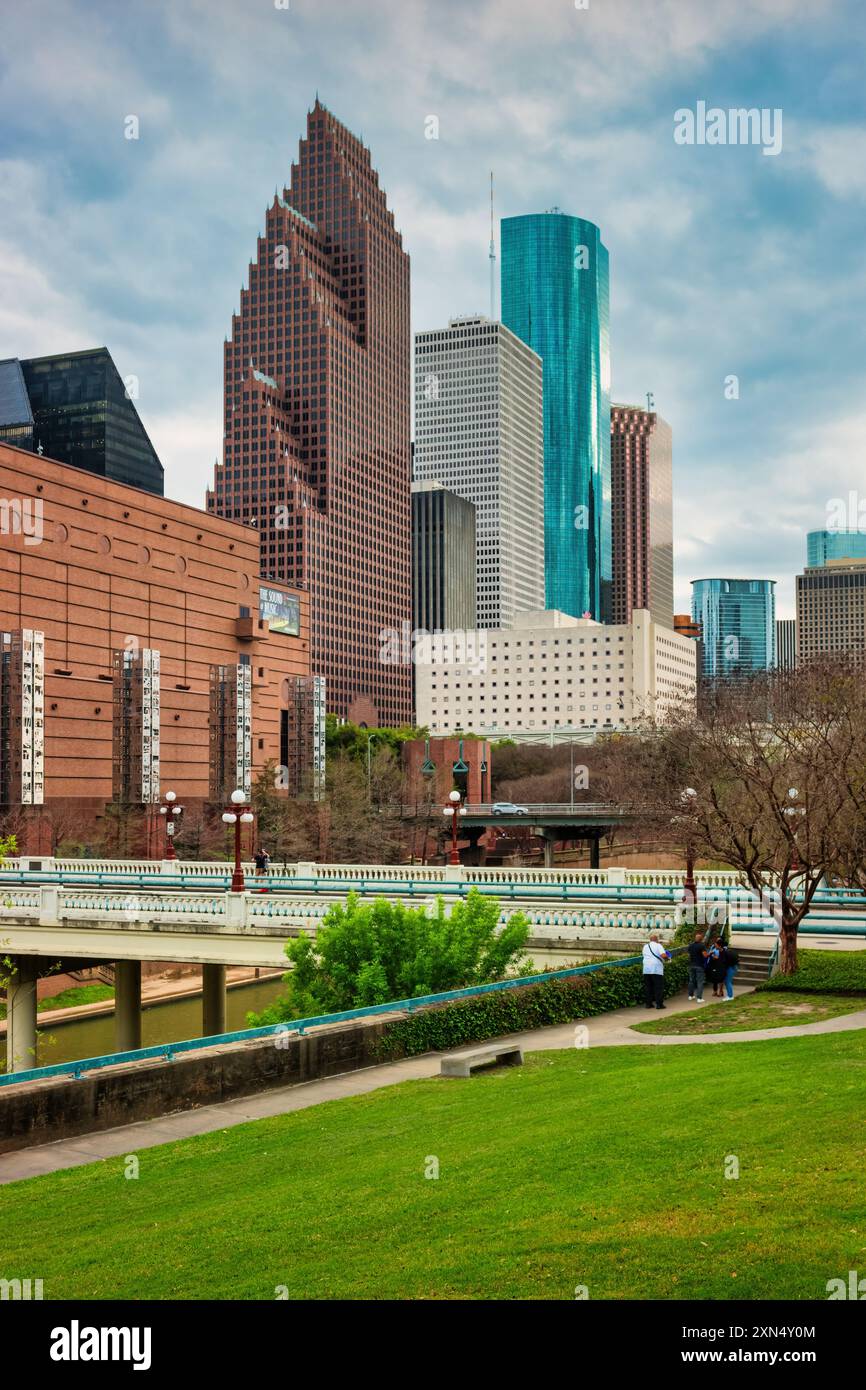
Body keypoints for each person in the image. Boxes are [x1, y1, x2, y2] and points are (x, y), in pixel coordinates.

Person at [642, 933, 672, 1009]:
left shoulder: (645, 946)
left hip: (646, 969)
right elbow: (663, 955)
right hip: (656, 969)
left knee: (648, 987)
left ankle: (648, 1004)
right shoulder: (658, 945)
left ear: (650, 940)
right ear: (657, 939)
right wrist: (668, 959)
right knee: (658, 987)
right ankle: (659, 1004)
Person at [687, 929, 708, 1003]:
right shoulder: (702, 946)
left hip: (691, 965)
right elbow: (705, 956)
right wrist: (710, 953)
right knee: (700, 982)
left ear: (695, 939)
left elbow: (689, 955)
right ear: (701, 939)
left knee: (691, 981)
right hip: (699, 965)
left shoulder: (691, 945)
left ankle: (690, 996)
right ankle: (699, 998)